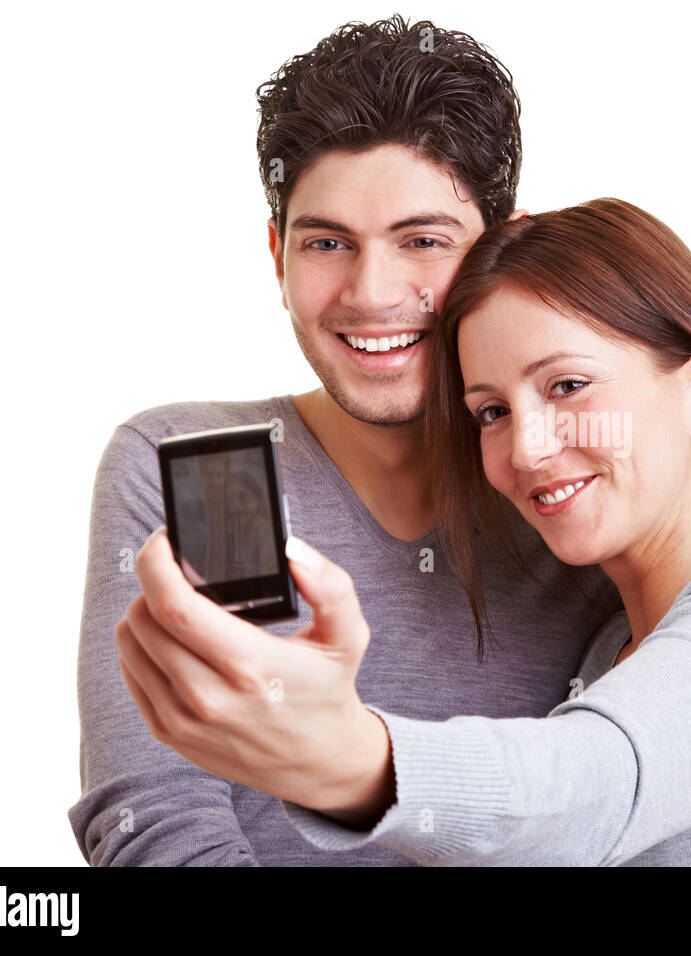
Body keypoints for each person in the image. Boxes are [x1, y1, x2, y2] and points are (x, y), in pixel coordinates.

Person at [122, 198, 691, 865]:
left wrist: (351, 759)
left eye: (568, 385)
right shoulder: (607, 649)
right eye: (491, 412)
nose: (526, 448)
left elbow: (594, 783)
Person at [68, 16, 622, 865]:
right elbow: (156, 816)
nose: (372, 294)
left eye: (423, 241)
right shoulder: (215, 473)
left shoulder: (572, 491)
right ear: (276, 255)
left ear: (502, 249)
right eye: (327, 243)